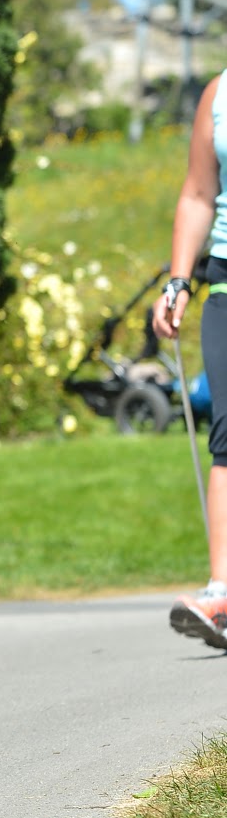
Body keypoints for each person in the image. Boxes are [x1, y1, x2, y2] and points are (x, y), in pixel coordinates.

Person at [152, 76, 227, 647]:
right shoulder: (218, 95)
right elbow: (200, 194)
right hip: (224, 280)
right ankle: (222, 590)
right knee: (226, 434)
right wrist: (179, 280)